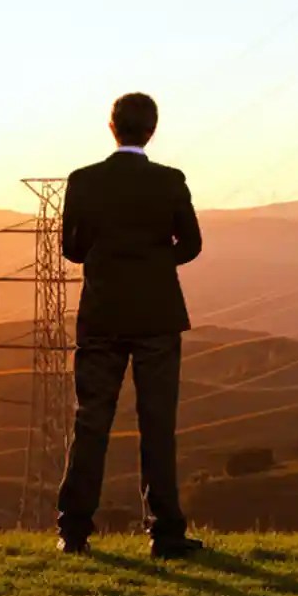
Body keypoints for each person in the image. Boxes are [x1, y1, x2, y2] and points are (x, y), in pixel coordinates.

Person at [56, 92, 204, 559]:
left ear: (111, 126)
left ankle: (74, 531)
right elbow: (193, 243)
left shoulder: (83, 181)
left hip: (101, 314)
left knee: (91, 421)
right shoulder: (169, 181)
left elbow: (72, 250)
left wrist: (110, 261)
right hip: (157, 315)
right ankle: (165, 533)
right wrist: (156, 263)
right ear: (152, 129)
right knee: (158, 424)